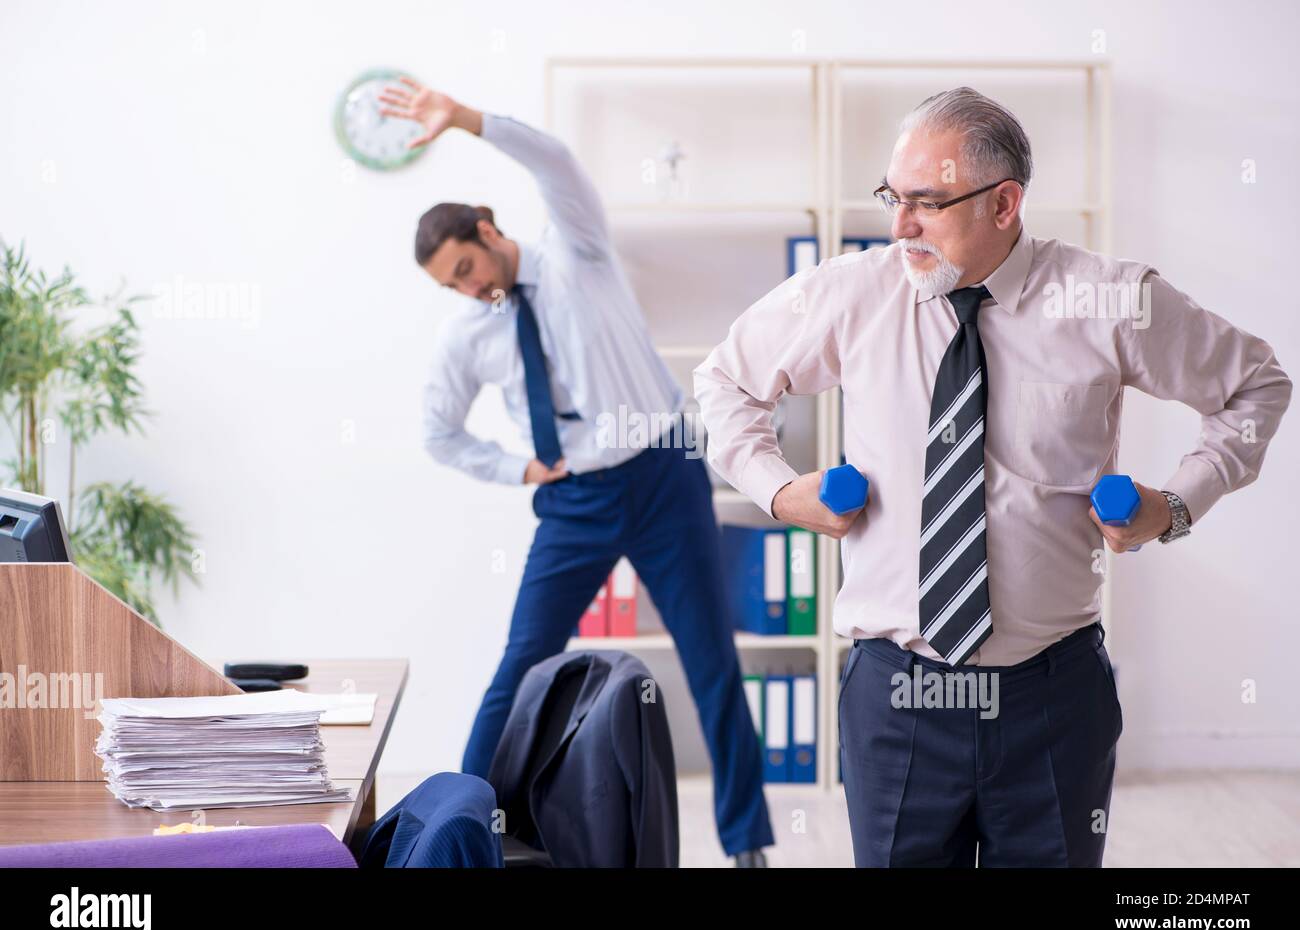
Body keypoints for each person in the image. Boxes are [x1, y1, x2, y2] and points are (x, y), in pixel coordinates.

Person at [694, 87, 1292, 867]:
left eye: (926, 203)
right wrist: (776, 488)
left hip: (1052, 698)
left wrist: (1176, 506)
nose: (900, 223)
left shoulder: (1109, 300)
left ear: (1004, 203)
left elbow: (1256, 385)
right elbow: (724, 381)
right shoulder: (854, 293)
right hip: (897, 697)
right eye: (892, 198)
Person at [384, 77, 774, 866]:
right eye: (452, 284)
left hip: (665, 474)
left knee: (711, 660)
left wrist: (462, 118)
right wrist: (515, 467)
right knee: (520, 664)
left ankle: (747, 844)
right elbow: (436, 431)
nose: (470, 288)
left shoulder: (578, 251)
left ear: (489, 231)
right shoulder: (471, 333)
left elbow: (555, 159)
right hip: (574, 500)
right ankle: (460, 833)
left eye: (467, 267)